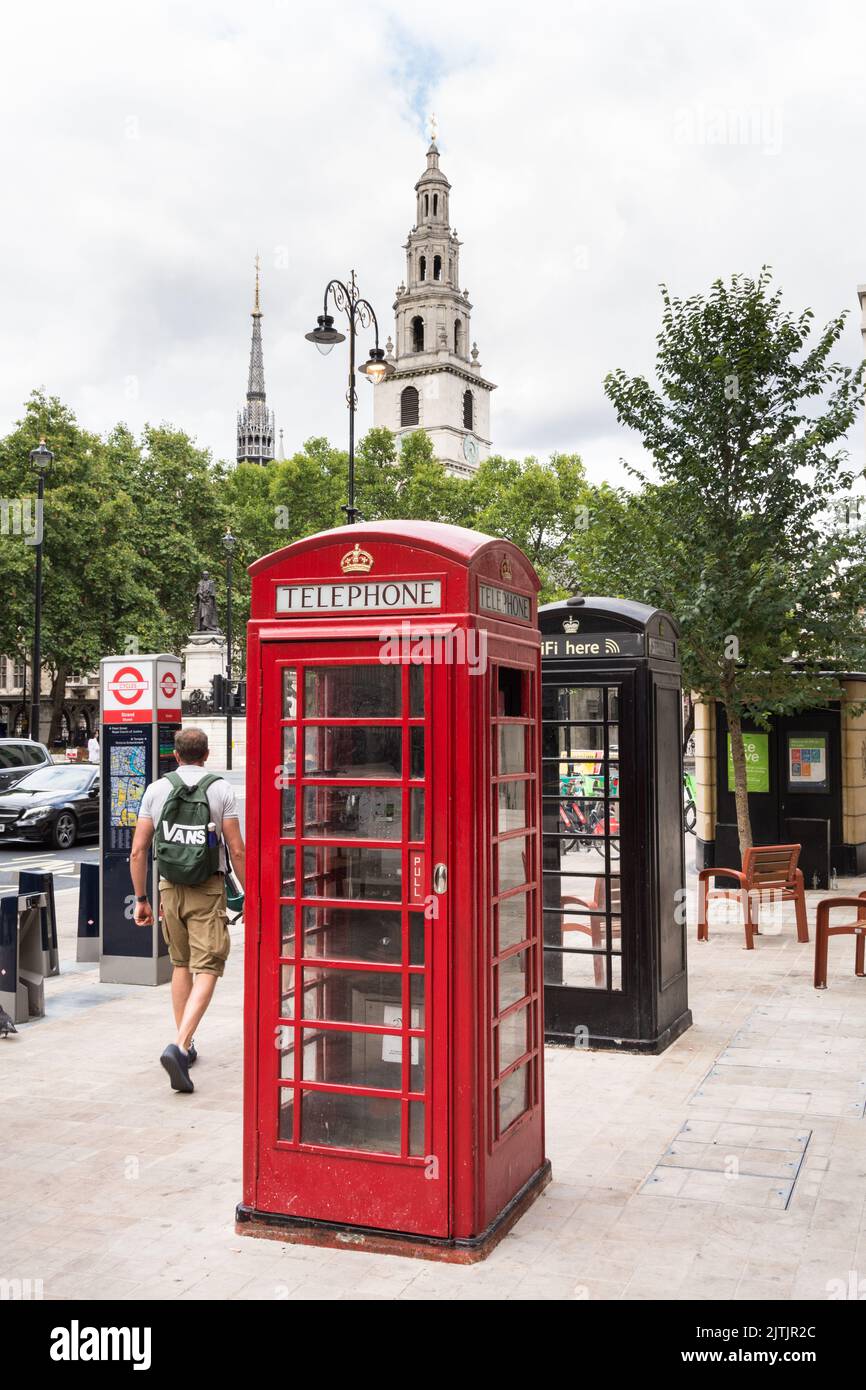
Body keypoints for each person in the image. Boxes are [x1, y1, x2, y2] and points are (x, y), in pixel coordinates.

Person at [130, 727, 245, 1094]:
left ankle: (186, 1044)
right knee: (209, 966)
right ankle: (180, 1046)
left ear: (175, 756)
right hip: (207, 887)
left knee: (181, 965)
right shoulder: (220, 788)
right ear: (207, 754)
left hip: (169, 888)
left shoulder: (156, 789)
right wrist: (251, 892)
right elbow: (236, 849)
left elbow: (138, 850)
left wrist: (141, 900)